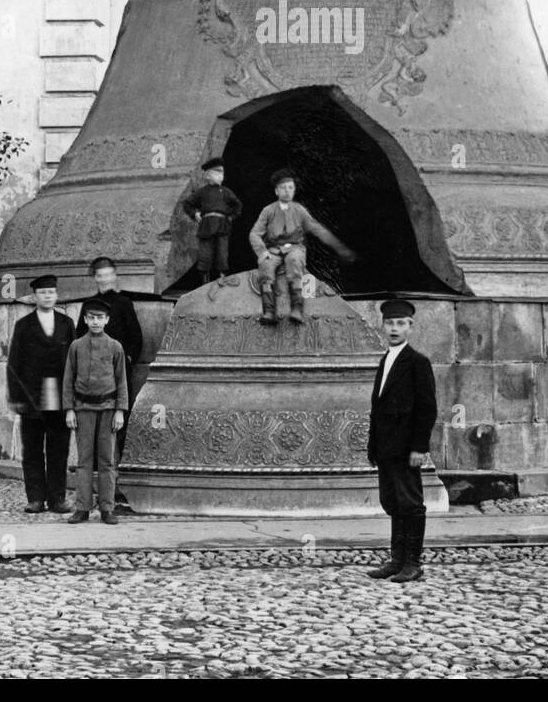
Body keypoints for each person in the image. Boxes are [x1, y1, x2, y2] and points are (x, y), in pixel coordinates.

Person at [366, 299, 437, 583]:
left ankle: (412, 562)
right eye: (390, 323)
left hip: (407, 447)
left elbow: (426, 407)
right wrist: (374, 446)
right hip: (386, 446)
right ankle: (397, 560)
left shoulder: (417, 362)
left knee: (410, 502)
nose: (394, 328)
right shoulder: (386, 359)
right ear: (382, 325)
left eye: (400, 324)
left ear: (410, 326)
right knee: (392, 502)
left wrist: (419, 447)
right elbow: (378, 407)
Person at [248, 168, 355, 325]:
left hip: (294, 248)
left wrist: (340, 248)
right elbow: (255, 234)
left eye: (291, 188)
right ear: (276, 191)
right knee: (265, 266)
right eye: (283, 188)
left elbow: (317, 229)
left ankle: (297, 309)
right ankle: (269, 311)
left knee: (295, 262)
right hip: (273, 250)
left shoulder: (299, 210)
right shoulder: (268, 210)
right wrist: (262, 252)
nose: (287, 191)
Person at [76, 256, 143, 501]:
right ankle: (92, 489)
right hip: (91, 380)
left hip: (118, 377)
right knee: (91, 435)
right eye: (99, 275)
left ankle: (116, 486)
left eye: (108, 275)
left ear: (114, 276)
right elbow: (78, 341)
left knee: (118, 429)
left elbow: (136, 337)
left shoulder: (124, 304)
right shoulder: (89, 306)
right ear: (95, 278)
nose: (104, 279)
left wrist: (128, 359)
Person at [6, 275, 75, 514]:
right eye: (43, 292)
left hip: (59, 398)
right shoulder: (24, 325)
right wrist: (17, 399)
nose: (47, 296)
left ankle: (57, 499)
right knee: (33, 450)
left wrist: (72, 399)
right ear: (34, 297)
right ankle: (35, 498)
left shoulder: (66, 324)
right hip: (31, 398)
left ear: (56, 296)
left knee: (59, 449)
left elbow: (73, 362)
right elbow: (14, 364)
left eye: (51, 292)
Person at [63, 300, 128, 524]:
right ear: (85, 319)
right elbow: (68, 380)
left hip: (108, 409)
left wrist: (120, 410)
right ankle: (82, 507)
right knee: (84, 460)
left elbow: (122, 381)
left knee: (107, 460)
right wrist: (69, 409)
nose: (95, 322)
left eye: (100, 317)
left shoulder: (115, 347)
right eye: (91, 317)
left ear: (107, 320)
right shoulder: (77, 347)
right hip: (83, 410)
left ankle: (107, 508)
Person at [183, 157, 243, 282]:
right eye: (217, 173)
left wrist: (231, 217)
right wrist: (195, 214)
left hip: (222, 226)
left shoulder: (226, 192)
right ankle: (205, 282)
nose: (221, 176)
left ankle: (222, 279)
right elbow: (188, 203)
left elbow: (237, 204)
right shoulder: (202, 192)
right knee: (205, 255)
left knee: (222, 254)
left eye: (222, 173)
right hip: (207, 226)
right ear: (208, 176)